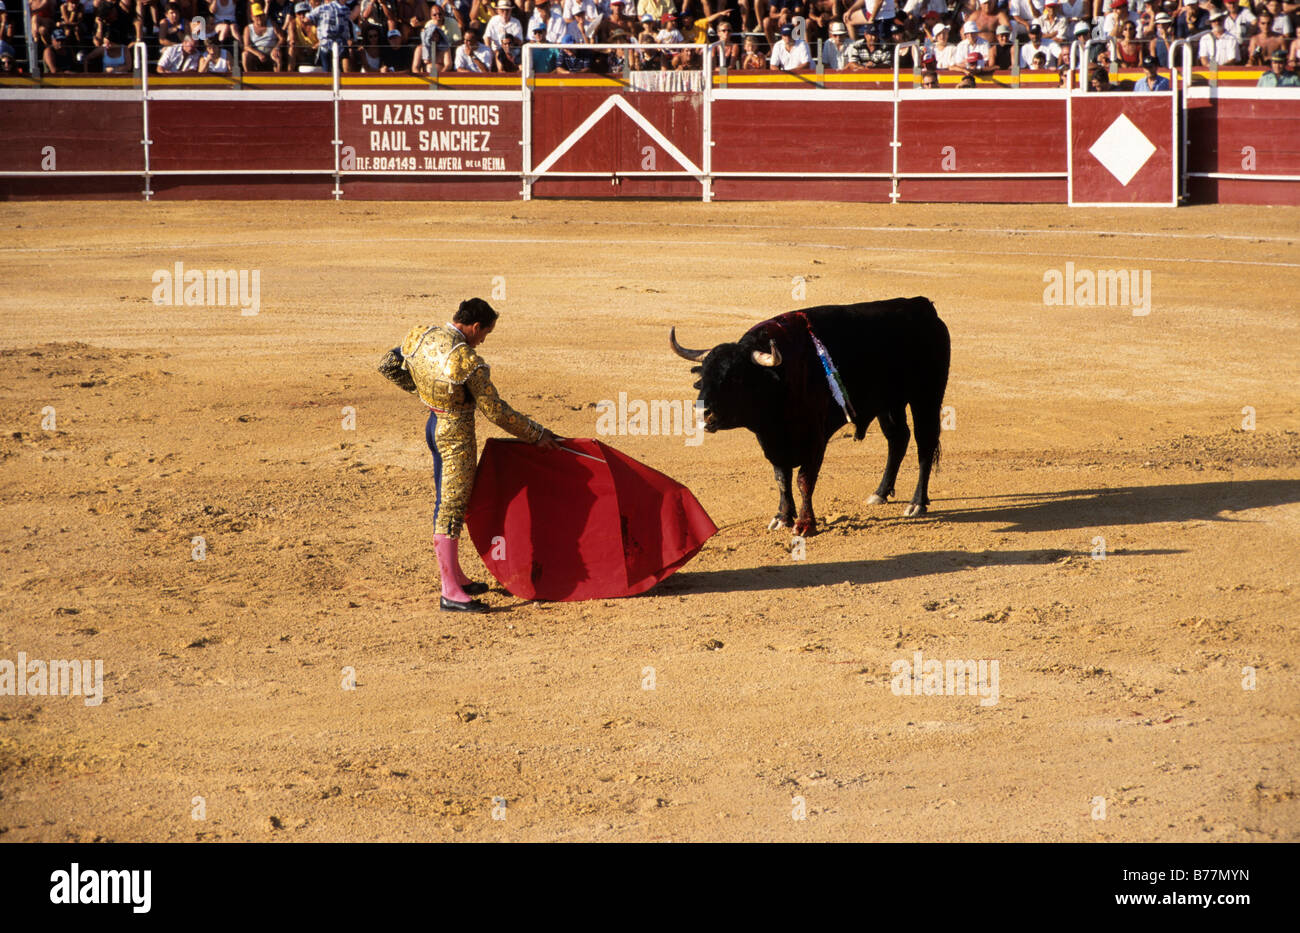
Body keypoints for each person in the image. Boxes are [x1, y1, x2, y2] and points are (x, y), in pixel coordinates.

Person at [399, 300, 561, 613]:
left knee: (447, 502)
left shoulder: (423, 336)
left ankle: (456, 576)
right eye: (485, 333)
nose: (483, 339)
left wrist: (426, 393)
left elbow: (389, 365)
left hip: (433, 425)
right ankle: (449, 592)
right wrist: (537, 434)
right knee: (451, 507)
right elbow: (495, 411)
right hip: (455, 438)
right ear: (475, 327)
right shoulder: (466, 360)